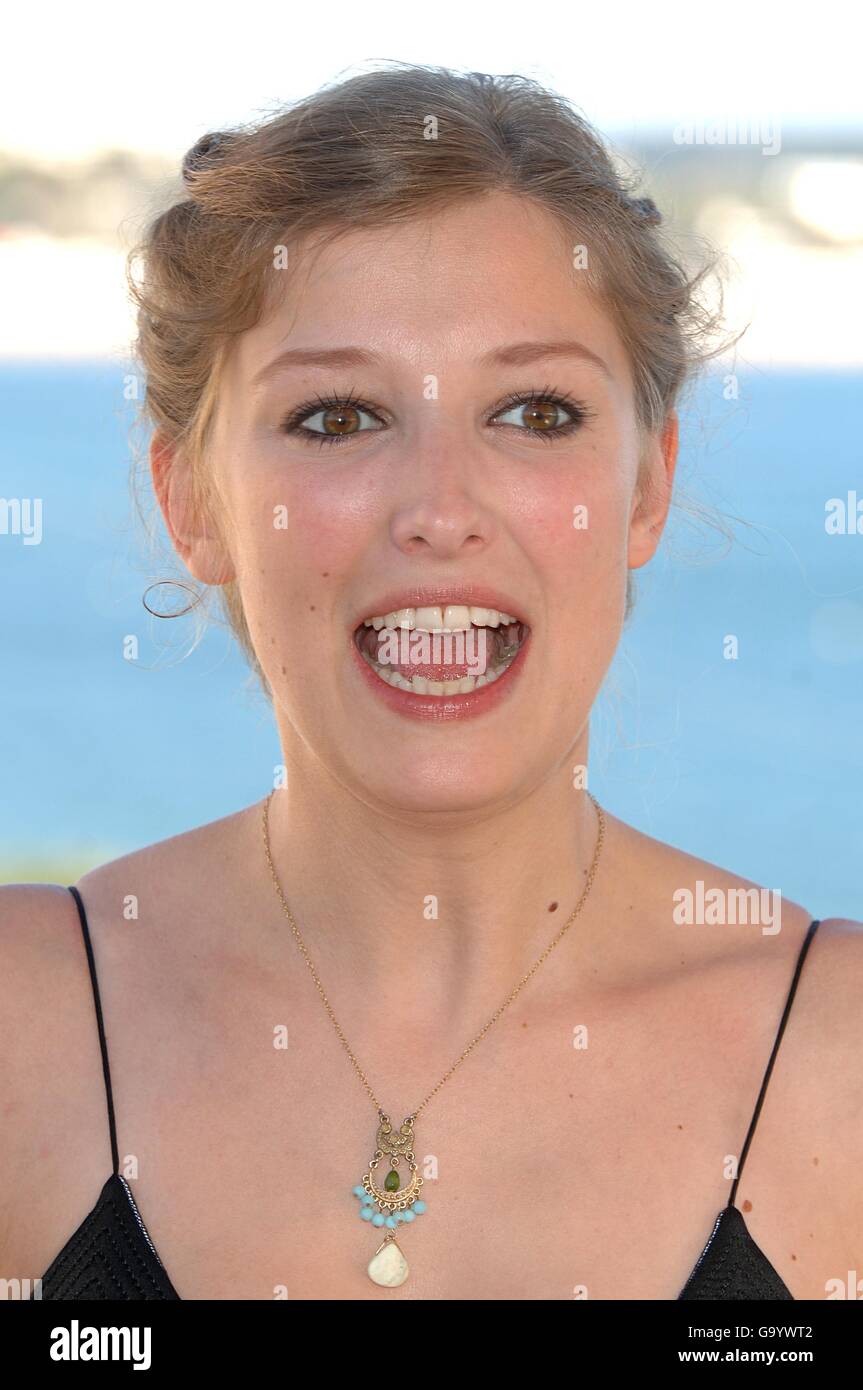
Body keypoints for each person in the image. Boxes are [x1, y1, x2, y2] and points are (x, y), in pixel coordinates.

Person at [1, 63, 860, 1302]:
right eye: (339, 418)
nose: (440, 511)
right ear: (189, 501)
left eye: (531, 409)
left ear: (648, 485)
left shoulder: (829, 1054)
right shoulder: (33, 1029)